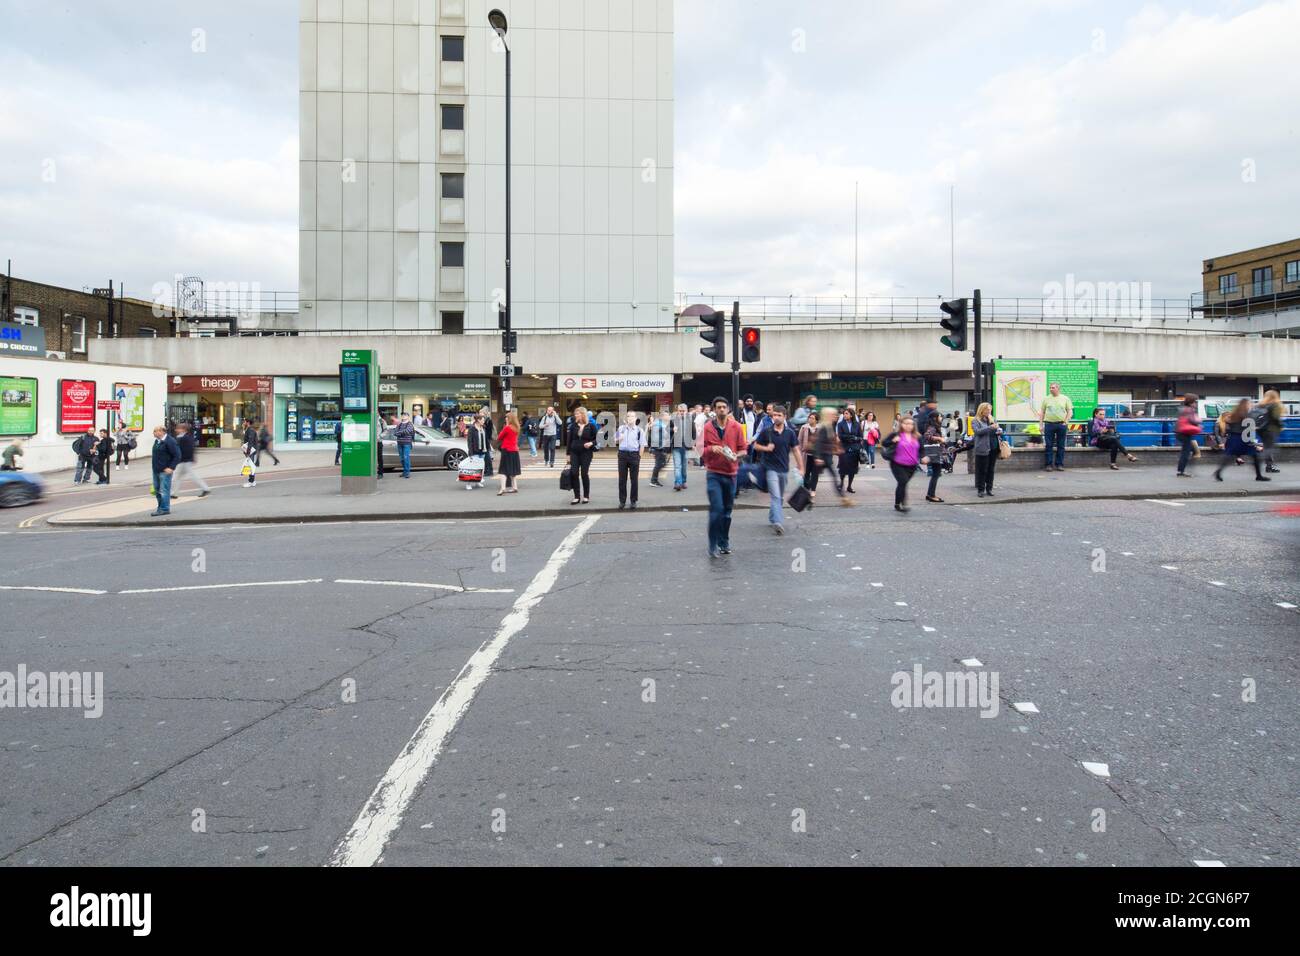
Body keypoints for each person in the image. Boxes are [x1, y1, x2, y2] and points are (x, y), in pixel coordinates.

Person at [701, 396, 747, 557]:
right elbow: (701, 449)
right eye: (718, 407)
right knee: (717, 509)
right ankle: (712, 544)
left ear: (728, 409)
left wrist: (736, 456)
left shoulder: (736, 427)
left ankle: (724, 541)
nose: (721, 409)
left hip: (731, 474)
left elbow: (743, 449)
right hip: (714, 474)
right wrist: (711, 449)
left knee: (727, 512)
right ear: (714, 410)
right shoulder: (707, 427)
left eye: (724, 407)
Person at [751, 404, 801, 535]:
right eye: (774, 415)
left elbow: (796, 450)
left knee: (780, 498)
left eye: (779, 415)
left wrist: (801, 467)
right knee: (776, 496)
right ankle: (778, 522)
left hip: (784, 469)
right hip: (770, 468)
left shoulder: (790, 433)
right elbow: (755, 446)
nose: (776, 418)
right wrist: (766, 448)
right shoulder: (766, 431)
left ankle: (772, 516)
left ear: (785, 417)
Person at [1213, 398, 1269, 483]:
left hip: (1233, 438)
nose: (1251, 405)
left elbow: (1228, 424)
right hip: (1243, 438)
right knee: (1255, 456)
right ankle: (1259, 475)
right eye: (1249, 404)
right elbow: (1249, 428)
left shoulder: (1234, 415)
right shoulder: (1248, 415)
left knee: (1229, 456)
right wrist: (1253, 443)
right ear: (1246, 405)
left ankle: (1218, 472)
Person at [882, 416, 928, 513]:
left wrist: (923, 457)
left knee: (903, 484)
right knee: (903, 482)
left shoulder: (917, 436)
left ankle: (897, 503)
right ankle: (903, 504)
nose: (908, 426)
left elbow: (921, 450)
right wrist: (893, 440)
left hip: (912, 465)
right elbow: (884, 443)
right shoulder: (896, 434)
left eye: (911, 424)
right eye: (906, 423)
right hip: (897, 463)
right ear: (901, 424)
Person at [810, 408, 851, 506]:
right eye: (832, 414)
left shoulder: (830, 426)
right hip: (822, 457)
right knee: (815, 476)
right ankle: (809, 494)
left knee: (825, 476)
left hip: (827, 456)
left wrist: (836, 448)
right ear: (827, 415)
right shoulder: (824, 427)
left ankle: (843, 498)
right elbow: (819, 443)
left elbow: (829, 441)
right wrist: (818, 457)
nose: (835, 416)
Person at [970, 402, 1003, 497]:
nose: (989, 412)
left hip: (993, 446)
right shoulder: (975, 420)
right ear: (982, 410)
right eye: (987, 410)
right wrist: (990, 427)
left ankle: (989, 489)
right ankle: (981, 490)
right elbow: (978, 432)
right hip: (983, 447)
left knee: (991, 469)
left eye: (990, 410)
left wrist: (999, 430)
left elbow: (998, 429)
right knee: (982, 470)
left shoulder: (992, 419)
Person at [615, 411, 646, 509]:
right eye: (628, 416)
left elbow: (642, 445)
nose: (630, 418)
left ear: (636, 418)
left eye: (632, 416)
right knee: (622, 480)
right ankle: (622, 501)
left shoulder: (639, 430)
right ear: (626, 418)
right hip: (623, 455)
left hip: (634, 455)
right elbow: (614, 440)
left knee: (634, 480)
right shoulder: (621, 428)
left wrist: (639, 457)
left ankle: (633, 501)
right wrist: (620, 438)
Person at [1038, 382, 1073, 471]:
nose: (1051, 389)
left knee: (1061, 445)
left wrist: (1066, 422)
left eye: (1053, 387)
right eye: (1050, 387)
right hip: (1049, 424)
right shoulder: (1046, 399)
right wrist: (1041, 425)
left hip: (1061, 424)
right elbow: (1042, 412)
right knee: (1048, 445)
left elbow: (1070, 412)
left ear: (1058, 388)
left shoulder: (1065, 398)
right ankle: (1048, 465)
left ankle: (1059, 464)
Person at [567, 407, 597, 505]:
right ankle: (576, 496)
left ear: (583, 414)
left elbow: (599, 438)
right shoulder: (573, 426)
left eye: (578, 414)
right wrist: (568, 454)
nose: (576, 415)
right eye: (575, 414)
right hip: (574, 452)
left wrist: (591, 443)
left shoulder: (591, 426)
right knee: (574, 473)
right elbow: (569, 441)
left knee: (584, 474)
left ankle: (586, 496)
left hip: (586, 453)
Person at [173, 421, 212, 497]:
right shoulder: (184, 437)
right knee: (178, 476)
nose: (176, 430)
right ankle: (174, 493)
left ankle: (205, 488)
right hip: (185, 460)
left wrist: (180, 458)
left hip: (185, 460)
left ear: (183, 429)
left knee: (191, 476)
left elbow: (187, 449)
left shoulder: (185, 438)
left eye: (178, 428)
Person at [149, 425, 181, 516]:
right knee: (157, 489)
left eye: (156, 431)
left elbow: (177, 455)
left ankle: (165, 508)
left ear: (162, 431)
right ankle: (160, 507)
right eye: (154, 431)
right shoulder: (157, 441)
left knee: (164, 490)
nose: (154, 433)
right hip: (156, 470)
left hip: (165, 470)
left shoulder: (170, 441)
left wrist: (171, 467)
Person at [835, 405, 863, 493]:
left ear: (851, 415)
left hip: (855, 449)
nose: (844, 415)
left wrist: (855, 438)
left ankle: (849, 486)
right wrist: (852, 437)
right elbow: (840, 435)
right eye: (844, 414)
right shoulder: (840, 424)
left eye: (846, 414)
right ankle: (841, 483)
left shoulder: (857, 424)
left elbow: (860, 436)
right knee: (843, 467)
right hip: (844, 449)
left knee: (853, 469)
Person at [1256, 390, 1284, 474]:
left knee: (1267, 447)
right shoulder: (1274, 405)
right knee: (1269, 448)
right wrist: (1280, 426)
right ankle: (1263, 462)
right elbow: (1276, 417)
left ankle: (1269, 465)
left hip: (1261, 429)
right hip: (1270, 429)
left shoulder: (1261, 405)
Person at [1175, 394, 1201, 477]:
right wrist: (1198, 421)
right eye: (1195, 402)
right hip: (1185, 433)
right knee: (1186, 452)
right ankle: (1181, 471)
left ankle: (1182, 469)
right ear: (1191, 403)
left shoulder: (1183, 409)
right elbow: (1193, 420)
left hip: (1180, 432)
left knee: (1189, 451)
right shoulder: (1189, 410)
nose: (1196, 404)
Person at [496, 410, 521, 495]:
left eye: (507, 417)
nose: (505, 418)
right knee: (513, 470)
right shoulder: (517, 427)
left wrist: (505, 426)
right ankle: (515, 487)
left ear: (509, 419)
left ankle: (503, 488)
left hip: (507, 450)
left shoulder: (507, 427)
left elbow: (499, 437)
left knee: (503, 470)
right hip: (515, 450)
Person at [922, 414, 946, 502]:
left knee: (936, 474)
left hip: (935, 453)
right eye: (939, 416)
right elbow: (927, 436)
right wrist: (939, 438)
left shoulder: (933, 427)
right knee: (936, 474)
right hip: (934, 453)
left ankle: (930, 494)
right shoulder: (932, 427)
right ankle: (931, 495)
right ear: (935, 418)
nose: (941, 418)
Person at [647, 410, 672, 487]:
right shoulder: (658, 424)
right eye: (668, 415)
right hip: (658, 448)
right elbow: (655, 437)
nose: (669, 417)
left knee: (661, 463)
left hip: (660, 447)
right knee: (658, 464)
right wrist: (653, 449)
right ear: (663, 416)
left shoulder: (661, 424)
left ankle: (654, 480)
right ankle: (653, 480)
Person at [798, 410, 819, 492]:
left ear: (816, 420)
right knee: (806, 473)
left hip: (816, 456)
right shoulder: (804, 427)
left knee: (815, 473)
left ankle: (813, 489)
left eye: (812, 418)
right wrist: (800, 452)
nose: (810, 419)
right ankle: (806, 488)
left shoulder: (820, 429)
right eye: (809, 418)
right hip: (806, 455)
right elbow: (799, 440)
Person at [465, 414, 489, 489]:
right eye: (482, 420)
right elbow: (469, 441)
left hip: (482, 451)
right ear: (478, 420)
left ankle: (477, 482)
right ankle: (468, 484)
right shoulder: (472, 429)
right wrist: (471, 453)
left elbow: (485, 439)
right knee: (473, 468)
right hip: (475, 451)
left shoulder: (483, 428)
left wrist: (488, 448)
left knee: (480, 467)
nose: (484, 421)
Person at [394, 412, 416, 478]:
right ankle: (404, 471)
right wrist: (402, 433)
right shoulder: (399, 424)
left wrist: (399, 433)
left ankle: (407, 472)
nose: (403, 416)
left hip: (407, 443)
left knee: (406, 458)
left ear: (408, 416)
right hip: (399, 443)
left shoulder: (410, 424)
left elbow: (408, 431)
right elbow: (395, 433)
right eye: (402, 415)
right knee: (402, 458)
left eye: (405, 415)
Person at [479, 405, 495, 479]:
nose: (480, 414)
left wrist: (482, 424)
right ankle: (486, 470)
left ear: (484, 413)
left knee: (487, 456)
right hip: (484, 440)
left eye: (481, 412)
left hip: (486, 440)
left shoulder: (488, 420)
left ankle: (489, 471)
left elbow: (488, 432)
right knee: (485, 456)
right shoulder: (485, 420)